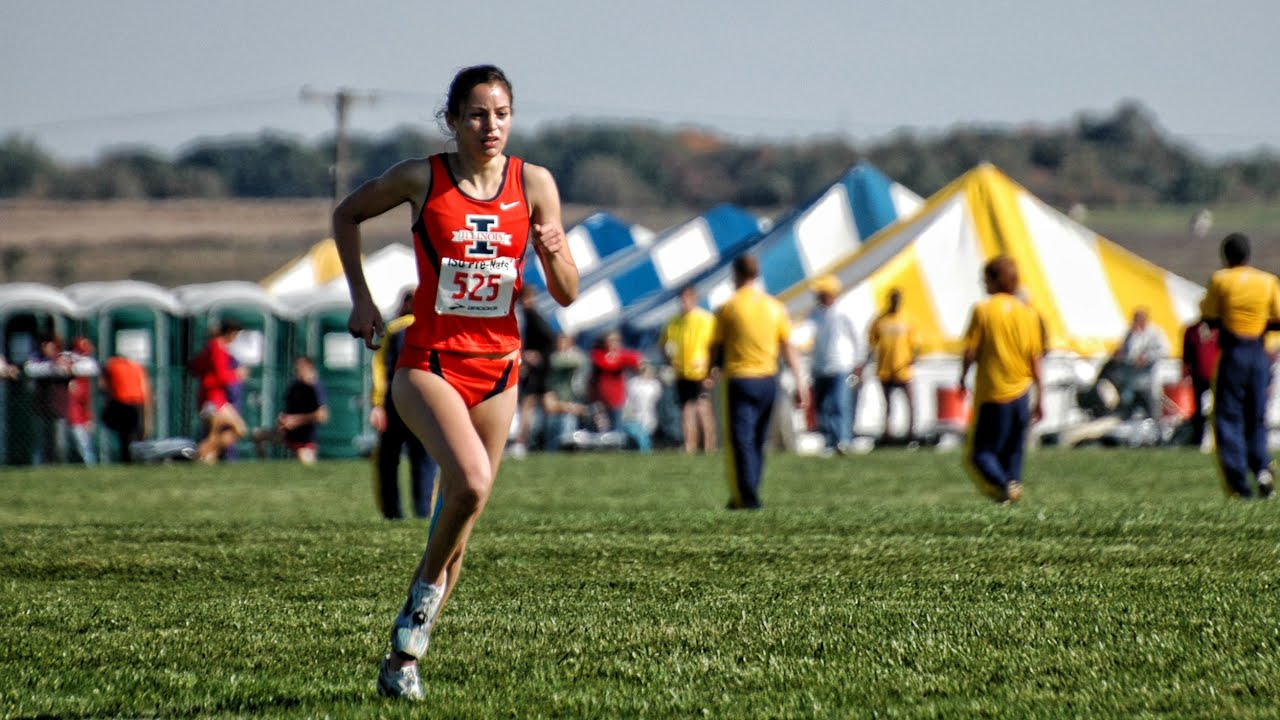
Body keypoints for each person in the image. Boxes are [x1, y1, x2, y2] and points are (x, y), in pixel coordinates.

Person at [333, 65, 578, 700]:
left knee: (461, 519)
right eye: (476, 114)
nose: (489, 126)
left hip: (500, 368)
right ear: (453, 120)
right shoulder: (423, 178)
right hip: (430, 362)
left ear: (512, 118)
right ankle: (417, 607)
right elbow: (347, 215)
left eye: (500, 114)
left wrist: (553, 249)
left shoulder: (536, 183)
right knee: (470, 482)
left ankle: (401, 664)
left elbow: (568, 293)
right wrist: (362, 301)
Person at [711, 254, 809, 510]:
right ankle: (750, 489)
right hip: (768, 380)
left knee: (740, 439)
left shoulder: (728, 307)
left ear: (736, 275)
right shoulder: (775, 306)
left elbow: (717, 347)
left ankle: (746, 495)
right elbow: (788, 347)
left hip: (740, 378)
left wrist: (711, 371)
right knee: (758, 439)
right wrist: (800, 381)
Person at [1199, 232, 1280, 499]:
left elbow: (1209, 317)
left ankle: (1238, 483)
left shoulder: (1221, 280)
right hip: (1259, 353)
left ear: (1225, 256)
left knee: (1227, 416)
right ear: (1248, 254)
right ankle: (1262, 466)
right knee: (1256, 415)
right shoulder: (1267, 281)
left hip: (1234, 352)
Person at [958, 257, 1045, 504]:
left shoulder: (983, 310)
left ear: (994, 280)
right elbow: (1036, 359)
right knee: (1013, 451)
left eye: (985, 278)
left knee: (980, 453)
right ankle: (1010, 491)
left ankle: (1004, 486)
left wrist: (962, 376)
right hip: (1022, 391)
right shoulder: (1029, 313)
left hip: (994, 391)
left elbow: (970, 351)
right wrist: (1041, 396)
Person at [371, 290, 439, 520]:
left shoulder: (395, 328)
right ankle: (423, 512)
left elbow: (380, 368)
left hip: (395, 401)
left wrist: (377, 403)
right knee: (424, 459)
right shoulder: (434, 327)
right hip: (425, 402)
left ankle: (392, 512)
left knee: (389, 460)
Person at [660, 284, 718, 453]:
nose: (684, 302)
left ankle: (709, 445)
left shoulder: (706, 320)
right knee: (686, 409)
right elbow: (664, 344)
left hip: (700, 371)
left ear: (694, 299)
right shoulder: (673, 322)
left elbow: (715, 346)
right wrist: (670, 361)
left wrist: (712, 370)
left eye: (687, 298)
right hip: (682, 372)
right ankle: (690, 446)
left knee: (702, 408)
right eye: (682, 299)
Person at [24, 334, 99, 465]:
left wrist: (69, 367)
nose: (46, 348)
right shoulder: (38, 359)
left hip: (63, 408)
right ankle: (39, 465)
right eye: (44, 344)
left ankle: (82, 463)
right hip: (43, 408)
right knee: (41, 440)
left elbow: (91, 366)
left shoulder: (67, 358)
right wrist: (54, 367)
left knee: (68, 441)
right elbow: (30, 369)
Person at [807, 275, 860, 454]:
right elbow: (806, 333)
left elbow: (856, 338)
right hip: (820, 366)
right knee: (823, 406)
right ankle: (829, 441)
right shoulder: (815, 314)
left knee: (839, 403)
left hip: (840, 365)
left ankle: (843, 439)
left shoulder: (844, 312)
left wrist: (857, 362)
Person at [864, 288, 919, 443]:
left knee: (909, 402)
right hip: (885, 369)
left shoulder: (907, 319)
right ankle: (887, 432)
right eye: (893, 299)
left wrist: (913, 358)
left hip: (903, 369)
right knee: (887, 404)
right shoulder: (880, 320)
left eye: (898, 299)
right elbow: (871, 341)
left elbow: (915, 344)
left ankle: (911, 432)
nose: (895, 303)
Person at [253, 355, 329, 465]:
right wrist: (283, 419)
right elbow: (289, 410)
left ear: (310, 368)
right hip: (287, 434)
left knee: (306, 464)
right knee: (258, 436)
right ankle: (264, 467)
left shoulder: (314, 387)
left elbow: (322, 415)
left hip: (304, 439)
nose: (297, 370)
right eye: (297, 367)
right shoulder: (295, 385)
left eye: (301, 367)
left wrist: (296, 421)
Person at [192, 319, 249, 464]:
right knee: (239, 429)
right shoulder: (218, 347)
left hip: (209, 398)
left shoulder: (210, 347)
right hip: (215, 399)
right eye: (236, 334)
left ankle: (205, 455)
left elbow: (195, 367)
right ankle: (195, 454)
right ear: (230, 332)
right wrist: (237, 374)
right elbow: (221, 375)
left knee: (214, 435)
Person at [513, 284, 555, 456]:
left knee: (527, 405)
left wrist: (531, 355)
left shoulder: (532, 316)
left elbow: (549, 339)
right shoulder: (529, 315)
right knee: (547, 405)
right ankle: (582, 411)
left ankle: (520, 443)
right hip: (542, 367)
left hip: (537, 369)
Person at [1111, 308, 1170, 419]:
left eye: (1139, 319)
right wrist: (1120, 354)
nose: (1136, 321)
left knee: (1152, 401)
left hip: (1149, 375)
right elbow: (1125, 350)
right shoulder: (1130, 333)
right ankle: (1126, 421)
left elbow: (1164, 350)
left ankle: (1155, 423)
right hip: (1131, 375)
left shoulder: (1155, 333)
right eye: (1135, 319)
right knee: (1126, 399)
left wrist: (1147, 357)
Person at [100, 351, 152, 463]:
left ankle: (127, 459)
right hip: (138, 401)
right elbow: (145, 388)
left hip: (121, 401)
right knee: (138, 433)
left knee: (125, 434)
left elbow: (103, 386)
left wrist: (108, 398)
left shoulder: (111, 364)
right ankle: (141, 459)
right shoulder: (136, 366)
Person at [589, 330, 643, 433]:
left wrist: (640, 364)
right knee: (600, 427)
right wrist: (622, 359)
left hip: (616, 399)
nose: (614, 343)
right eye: (611, 340)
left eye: (617, 341)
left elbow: (636, 359)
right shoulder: (597, 354)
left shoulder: (621, 355)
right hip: (599, 399)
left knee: (616, 428)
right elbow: (608, 365)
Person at [544, 332, 590, 451]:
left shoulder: (575, 356)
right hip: (554, 397)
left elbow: (576, 362)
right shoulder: (553, 355)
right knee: (552, 430)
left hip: (570, 398)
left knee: (567, 431)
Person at [1181, 317, 1220, 447]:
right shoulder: (1192, 331)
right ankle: (1198, 439)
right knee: (1199, 410)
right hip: (1199, 375)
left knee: (1220, 408)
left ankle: (1220, 439)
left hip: (1218, 375)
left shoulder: (1220, 329)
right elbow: (1187, 355)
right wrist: (1185, 373)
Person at [66, 337, 98, 465]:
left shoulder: (88, 364)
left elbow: (91, 367)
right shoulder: (68, 357)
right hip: (69, 410)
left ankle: (89, 462)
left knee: (83, 440)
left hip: (82, 409)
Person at [620, 362, 662, 453]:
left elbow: (657, 401)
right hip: (634, 416)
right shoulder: (633, 383)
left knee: (647, 435)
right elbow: (627, 400)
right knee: (639, 436)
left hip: (651, 416)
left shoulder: (655, 385)